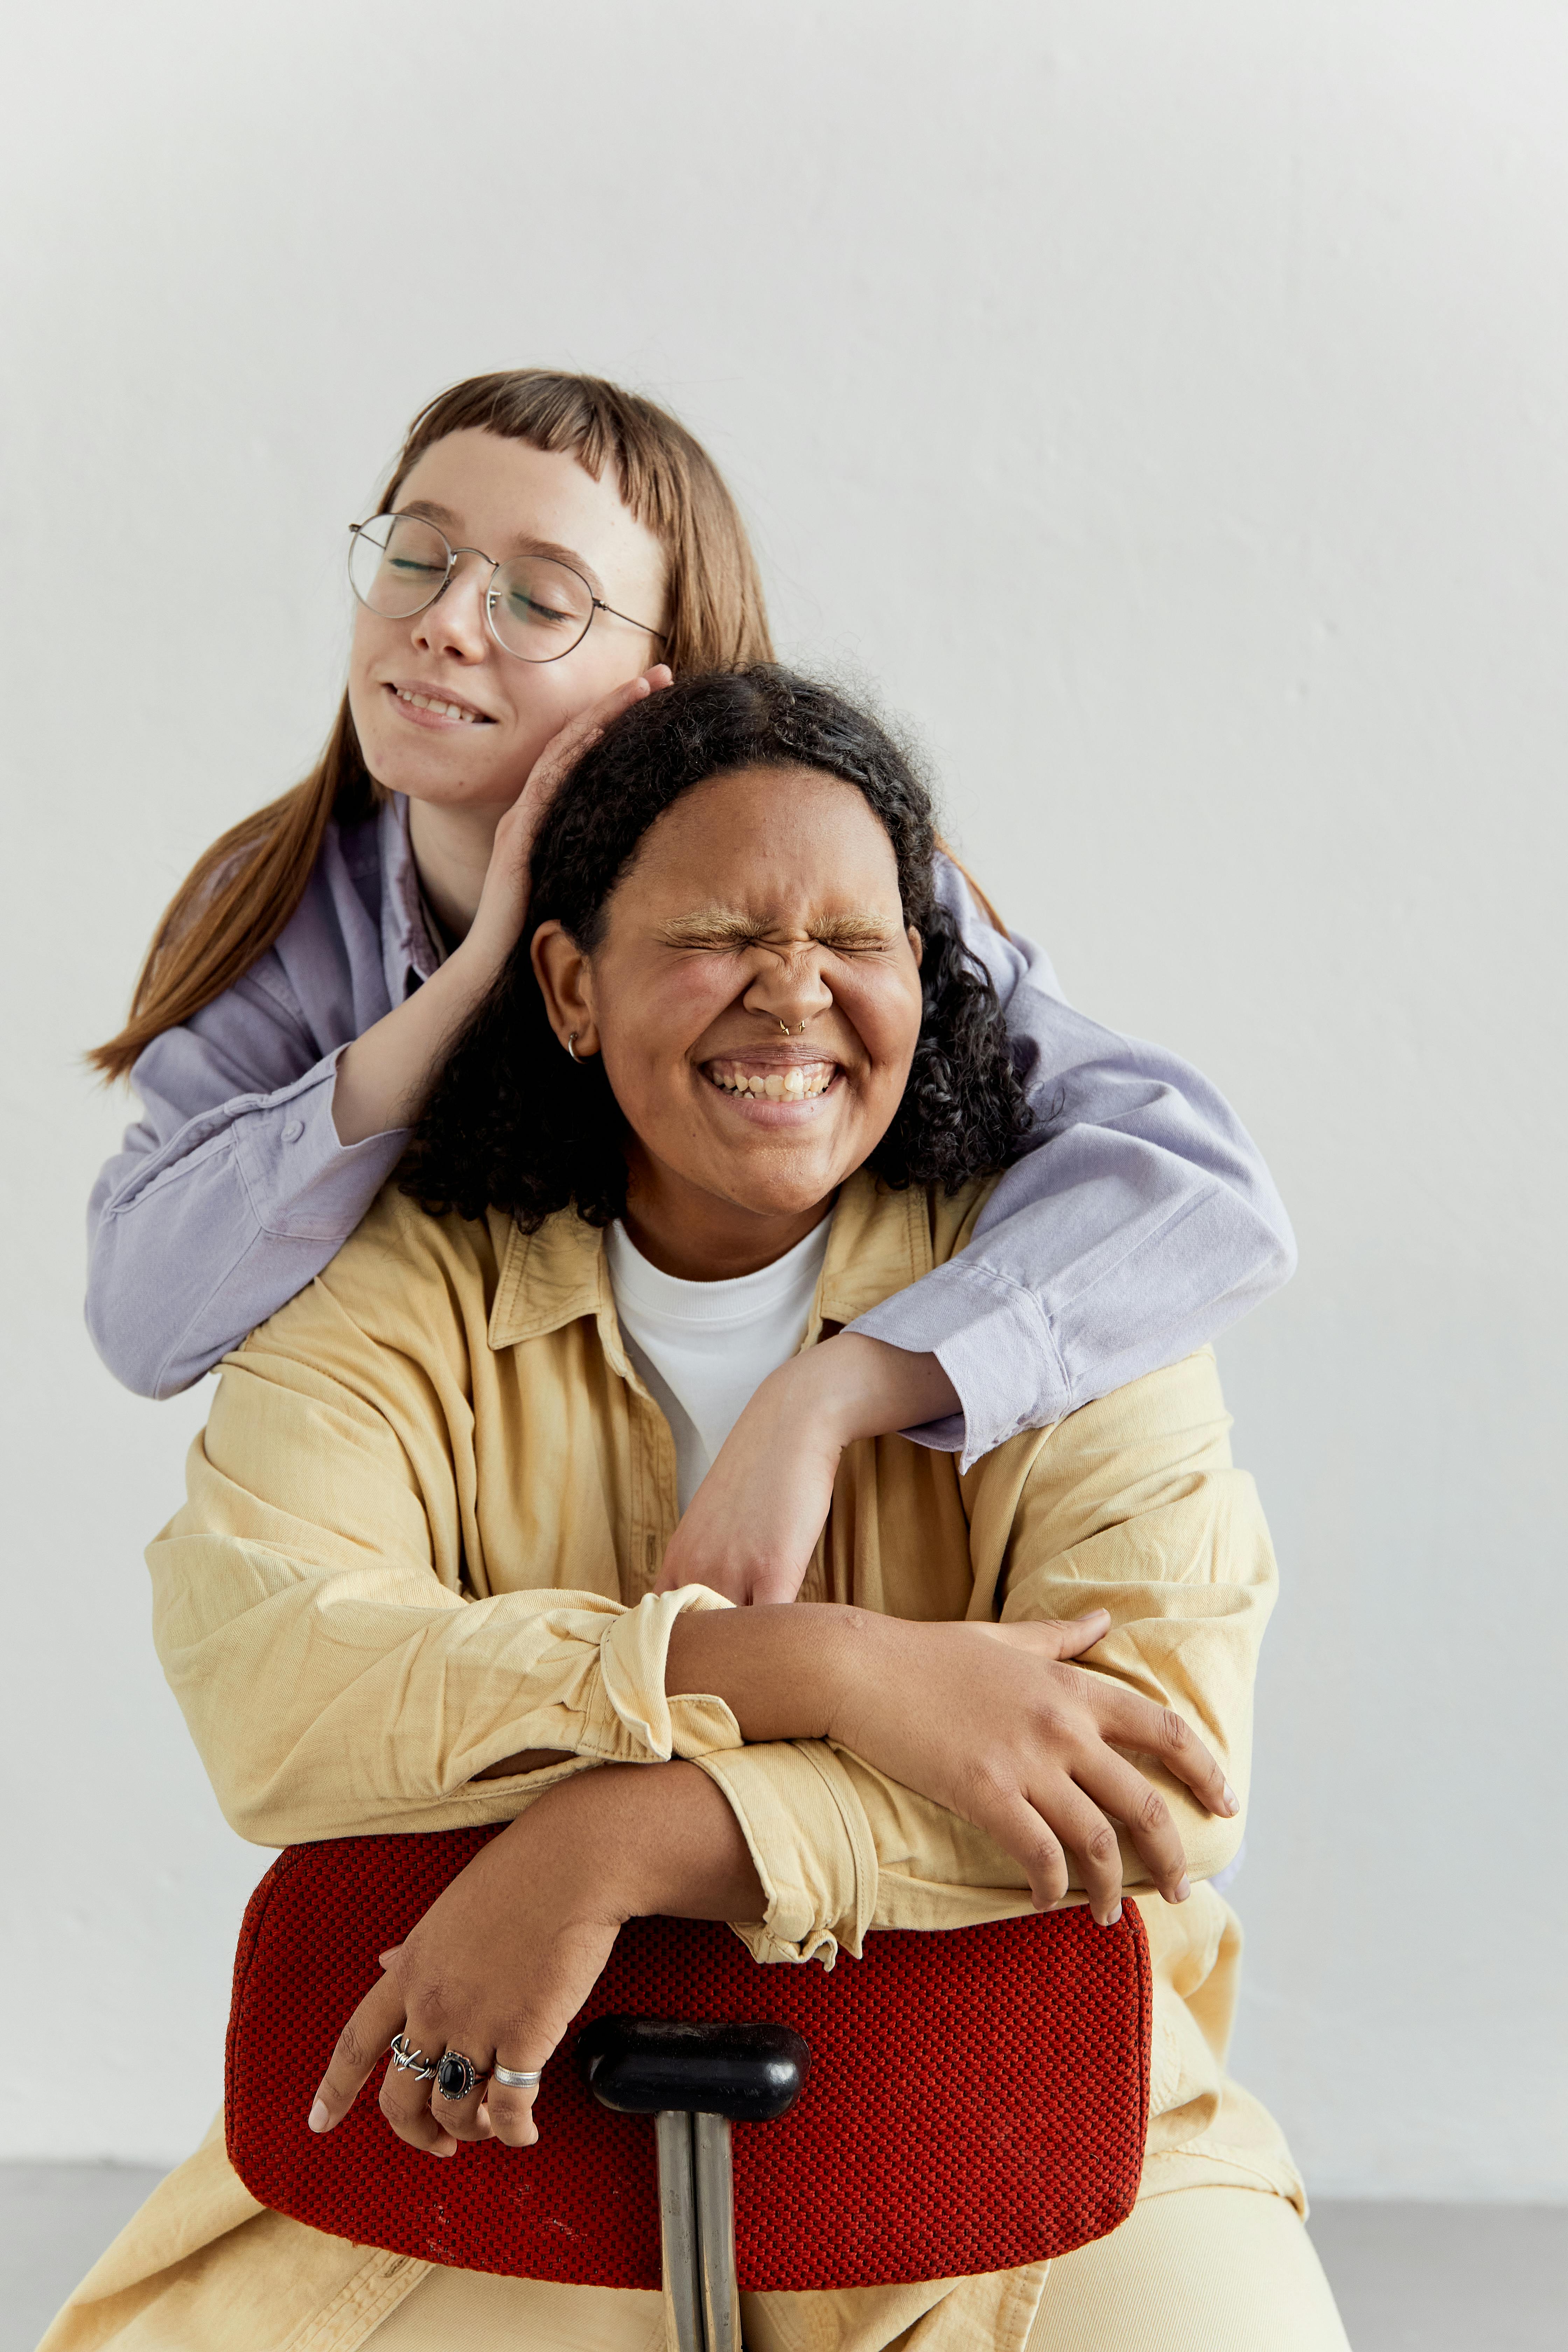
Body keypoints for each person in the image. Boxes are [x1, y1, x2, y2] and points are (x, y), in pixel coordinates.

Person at [47, 671, 1346, 2352]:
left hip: (1035, 2119)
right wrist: (823, 1671)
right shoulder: (388, 1290)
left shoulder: (1068, 1296)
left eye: (856, 944)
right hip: (482, 2125)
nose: (793, 995)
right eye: (717, 934)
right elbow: (274, 1680)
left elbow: (1157, 1767)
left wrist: (619, 1839)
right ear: (571, 986)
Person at [84, 366, 1295, 1606]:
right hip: (475, 1573)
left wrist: (836, 1393)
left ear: (666, 678)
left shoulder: (860, 891)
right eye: (416, 556)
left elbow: (1202, 1193)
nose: (446, 623)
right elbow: (144, 1316)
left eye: (540, 599)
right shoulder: (278, 903)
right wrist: (470, 984)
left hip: (849, 1553)